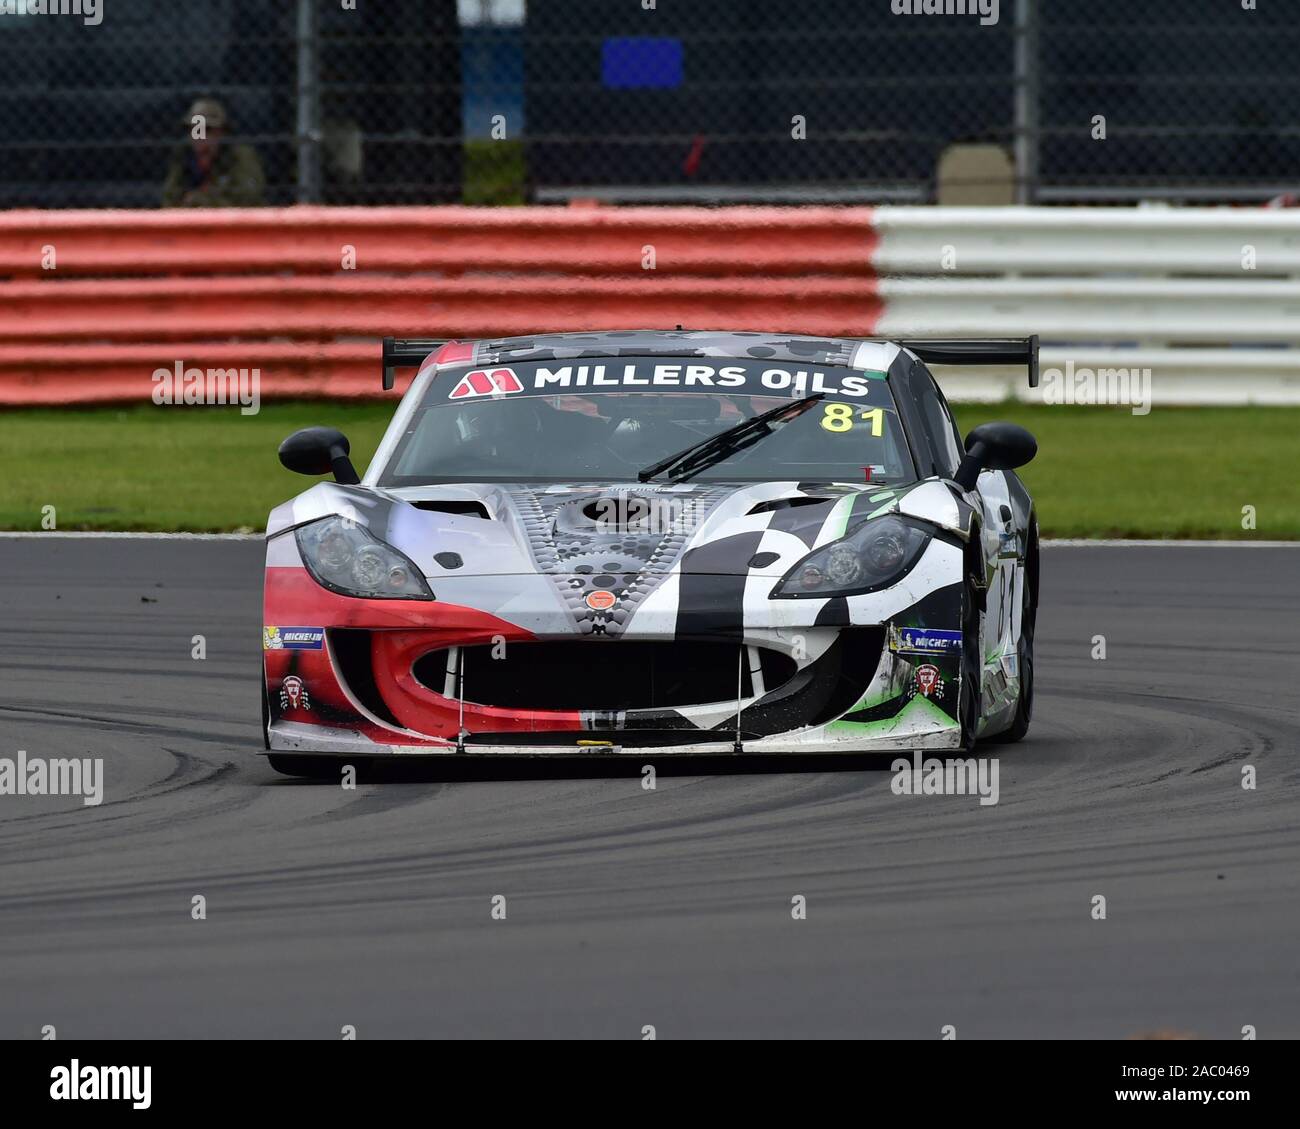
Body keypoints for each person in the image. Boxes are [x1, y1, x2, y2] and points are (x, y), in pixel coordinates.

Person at [161, 97, 266, 208]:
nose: (199, 136)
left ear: (221, 132)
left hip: (234, 221)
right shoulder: (184, 156)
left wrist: (202, 199)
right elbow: (169, 198)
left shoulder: (240, 156)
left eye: (206, 129)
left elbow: (248, 198)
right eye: (194, 130)